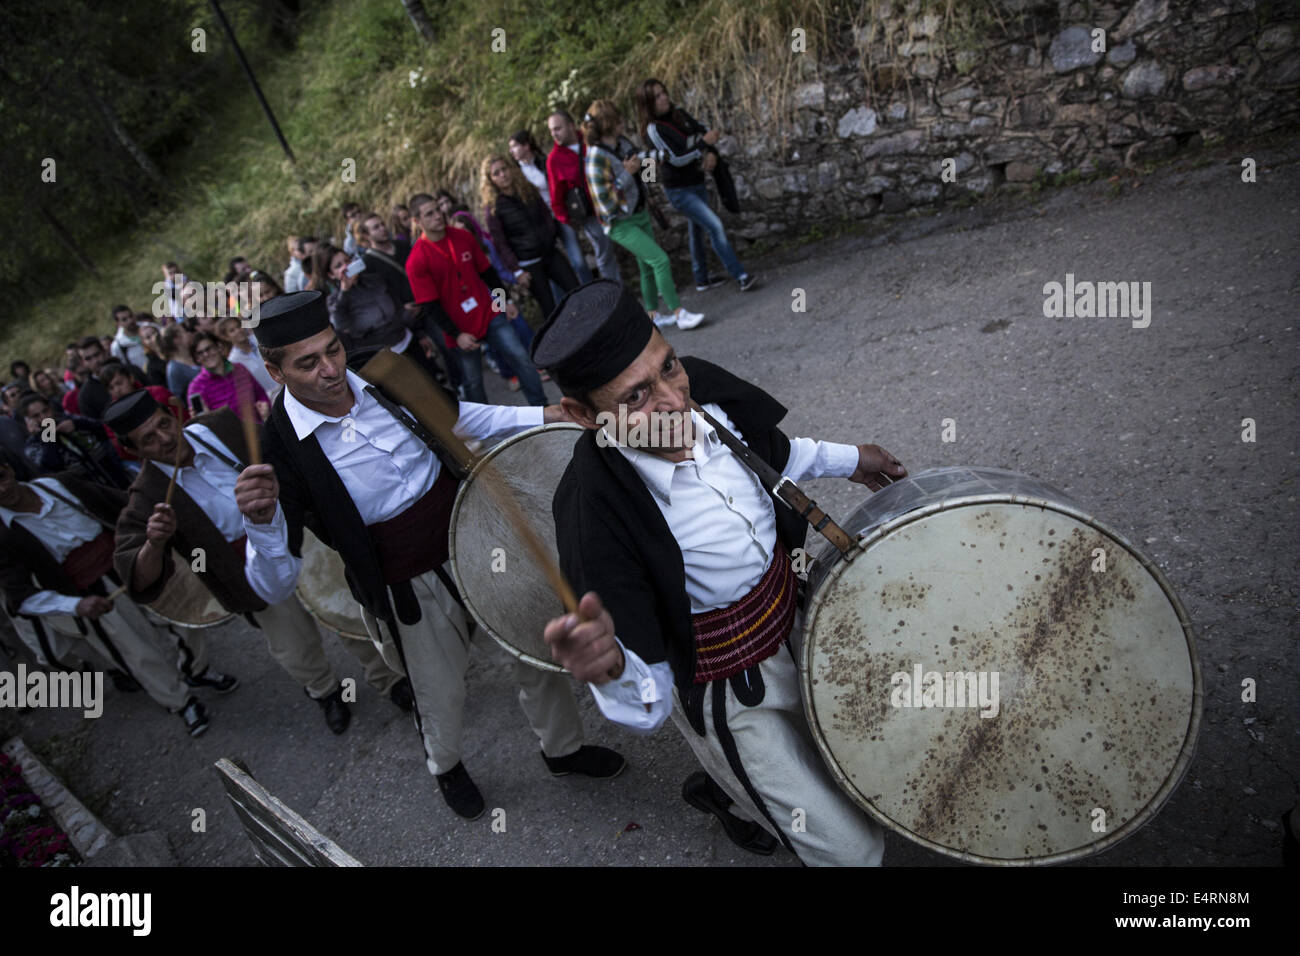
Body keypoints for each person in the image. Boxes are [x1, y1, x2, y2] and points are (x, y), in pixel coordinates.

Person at [534, 280, 908, 865]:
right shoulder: (593, 512)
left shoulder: (698, 390)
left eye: (669, 367)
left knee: (880, 759)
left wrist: (854, 458)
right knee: (850, 849)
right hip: (732, 692)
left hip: (800, 619)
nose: (675, 402)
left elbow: (775, 455)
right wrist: (609, 671)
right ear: (585, 414)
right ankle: (732, 781)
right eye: (635, 398)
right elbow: (651, 695)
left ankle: (728, 792)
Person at [231, 291, 626, 818]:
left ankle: (563, 749)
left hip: (474, 536)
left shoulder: (383, 369)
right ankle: (446, 764)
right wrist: (260, 526)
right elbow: (277, 586)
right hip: (403, 579)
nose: (330, 370)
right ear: (274, 372)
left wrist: (547, 412)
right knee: (439, 691)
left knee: (535, 640)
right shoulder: (279, 450)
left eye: (333, 349)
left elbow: (457, 416)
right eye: (308, 363)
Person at [104, 391, 412, 735]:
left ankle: (389, 680)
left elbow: (280, 450)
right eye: (149, 439)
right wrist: (155, 543)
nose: (165, 438)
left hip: (294, 535)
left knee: (345, 610)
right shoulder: (147, 494)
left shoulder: (218, 425)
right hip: (244, 573)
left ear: (173, 415)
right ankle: (326, 692)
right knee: (294, 646)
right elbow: (135, 573)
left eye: (164, 424)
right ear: (133, 451)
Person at [0, 448, 229, 736]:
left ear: (9, 468)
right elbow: (19, 596)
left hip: (130, 562)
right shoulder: (4, 533)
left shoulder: (60, 484)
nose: (3, 489)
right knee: (137, 651)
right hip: (92, 593)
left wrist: (153, 529)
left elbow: (119, 503)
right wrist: (76, 605)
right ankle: (180, 701)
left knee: (186, 616)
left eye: (1, 476)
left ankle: (197, 670)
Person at [404, 193, 547, 405]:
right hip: (458, 328)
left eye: (438, 209)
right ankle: (486, 431)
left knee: (522, 358)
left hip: (489, 313)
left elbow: (488, 273)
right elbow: (430, 306)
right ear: (417, 221)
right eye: (430, 213)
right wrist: (457, 334)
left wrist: (503, 303)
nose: (438, 216)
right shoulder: (416, 260)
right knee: (472, 382)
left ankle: (542, 410)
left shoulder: (462, 236)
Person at [582, 100, 704, 331]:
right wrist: (627, 175)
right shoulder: (595, 157)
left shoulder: (622, 142)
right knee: (660, 260)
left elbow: (641, 160)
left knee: (647, 266)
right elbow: (606, 203)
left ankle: (653, 317)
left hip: (640, 213)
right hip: (620, 224)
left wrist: (661, 159)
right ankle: (679, 313)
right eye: (619, 119)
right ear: (608, 124)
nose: (623, 123)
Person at [637, 79, 757, 293]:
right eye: (656, 96)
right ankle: (741, 275)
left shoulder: (679, 114)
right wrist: (704, 145)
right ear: (648, 104)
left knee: (697, 230)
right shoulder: (653, 129)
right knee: (715, 226)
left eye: (663, 92)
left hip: (697, 182)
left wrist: (710, 153)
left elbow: (704, 131)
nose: (663, 97)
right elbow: (675, 158)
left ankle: (701, 278)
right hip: (679, 191)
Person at [318, 243, 440, 378]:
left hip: (408, 343)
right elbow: (341, 325)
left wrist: (420, 334)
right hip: (384, 358)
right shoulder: (336, 301)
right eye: (338, 266)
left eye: (347, 261)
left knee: (432, 383)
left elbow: (399, 307)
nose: (346, 267)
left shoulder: (375, 280)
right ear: (331, 274)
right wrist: (345, 291)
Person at [481, 154, 580, 321]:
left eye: (504, 169)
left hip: (550, 252)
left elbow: (546, 215)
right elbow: (500, 243)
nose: (502, 175)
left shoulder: (528, 190)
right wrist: (517, 271)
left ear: (511, 169)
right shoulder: (493, 208)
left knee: (576, 290)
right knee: (550, 310)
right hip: (528, 264)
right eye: (496, 173)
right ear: (491, 180)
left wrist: (550, 236)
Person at [546, 109, 619, 283]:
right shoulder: (554, 159)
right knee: (604, 254)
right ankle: (616, 294)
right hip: (590, 214)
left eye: (558, 128)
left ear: (571, 126)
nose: (554, 134)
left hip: (613, 201)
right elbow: (556, 194)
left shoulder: (591, 140)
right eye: (551, 131)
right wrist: (567, 220)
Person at [510, 128, 591, 284]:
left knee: (578, 260)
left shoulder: (544, 162)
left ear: (526, 146)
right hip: (540, 224)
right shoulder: (516, 174)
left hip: (559, 215)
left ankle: (591, 289)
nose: (511, 151)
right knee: (554, 267)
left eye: (514, 146)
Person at [19, 391, 132, 488]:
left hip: (115, 476)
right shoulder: (34, 444)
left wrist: (77, 425)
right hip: (89, 491)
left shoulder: (69, 420)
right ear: (29, 420)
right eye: (36, 416)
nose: (44, 417)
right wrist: (47, 435)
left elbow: (103, 429)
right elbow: (53, 465)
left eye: (45, 411)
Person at [187, 332, 270, 420]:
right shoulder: (196, 387)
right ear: (197, 359)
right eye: (200, 353)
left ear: (219, 347)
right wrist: (206, 418)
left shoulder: (239, 369)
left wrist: (265, 408)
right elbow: (201, 426)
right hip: (226, 433)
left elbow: (260, 395)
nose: (206, 355)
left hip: (257, 428)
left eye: (209, 349)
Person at [73, 336, 145, 421]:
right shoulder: (85, 396)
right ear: (82, 362)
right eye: (88, 359)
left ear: (104, 352)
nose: (95, 361)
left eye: (97, 354)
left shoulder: (131, 370)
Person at [215, 315, 278, 399]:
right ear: (226, 337)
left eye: (238, 326)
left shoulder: (261, 339)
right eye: (232, 330)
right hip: (269, 399)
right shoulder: (233, 361)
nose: (238, 331)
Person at [161, 324, 201, 401]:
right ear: (176, 340)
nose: (189, 334)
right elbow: (178, 397)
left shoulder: (195, 353)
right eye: (185, 332)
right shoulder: (174, 369)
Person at [137, 322, 170, 388]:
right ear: (144, 343)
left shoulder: (175, 349)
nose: (154, 338)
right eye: (148, 337)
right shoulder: (151, 367)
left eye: (154, 333)